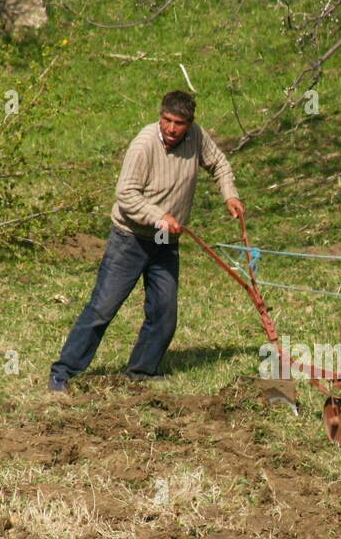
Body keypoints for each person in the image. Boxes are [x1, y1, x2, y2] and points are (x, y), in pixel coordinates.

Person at [49, 90, 244, 392]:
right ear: (160, 116)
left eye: (178, 123)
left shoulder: (196, 138)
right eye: (166, 120)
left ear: (189, 123)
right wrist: (159, 216)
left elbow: (218, 164)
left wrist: (230, 195)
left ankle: (141, 371)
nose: (171, 128)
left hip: (165, 241)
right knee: (102, 309)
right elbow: (126, 195)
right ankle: (63, 373)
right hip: (130, 238)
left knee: (165, 312)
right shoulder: (144, 144)